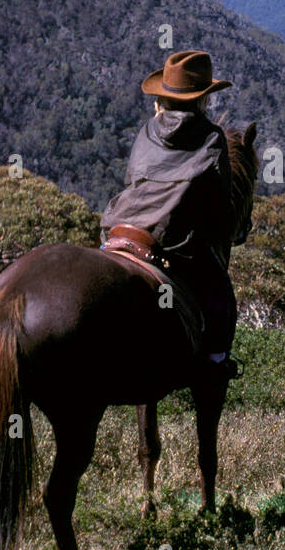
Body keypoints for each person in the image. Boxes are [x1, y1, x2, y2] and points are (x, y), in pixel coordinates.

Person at [100, 50, 239, 379]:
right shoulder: (211, 137)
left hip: (118, 227)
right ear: (202, 100)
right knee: (220, 294)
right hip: (168, 240)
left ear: (162, 99)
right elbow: (220, 208)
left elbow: (131, 179)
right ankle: (216, 362)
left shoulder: (147, 131)